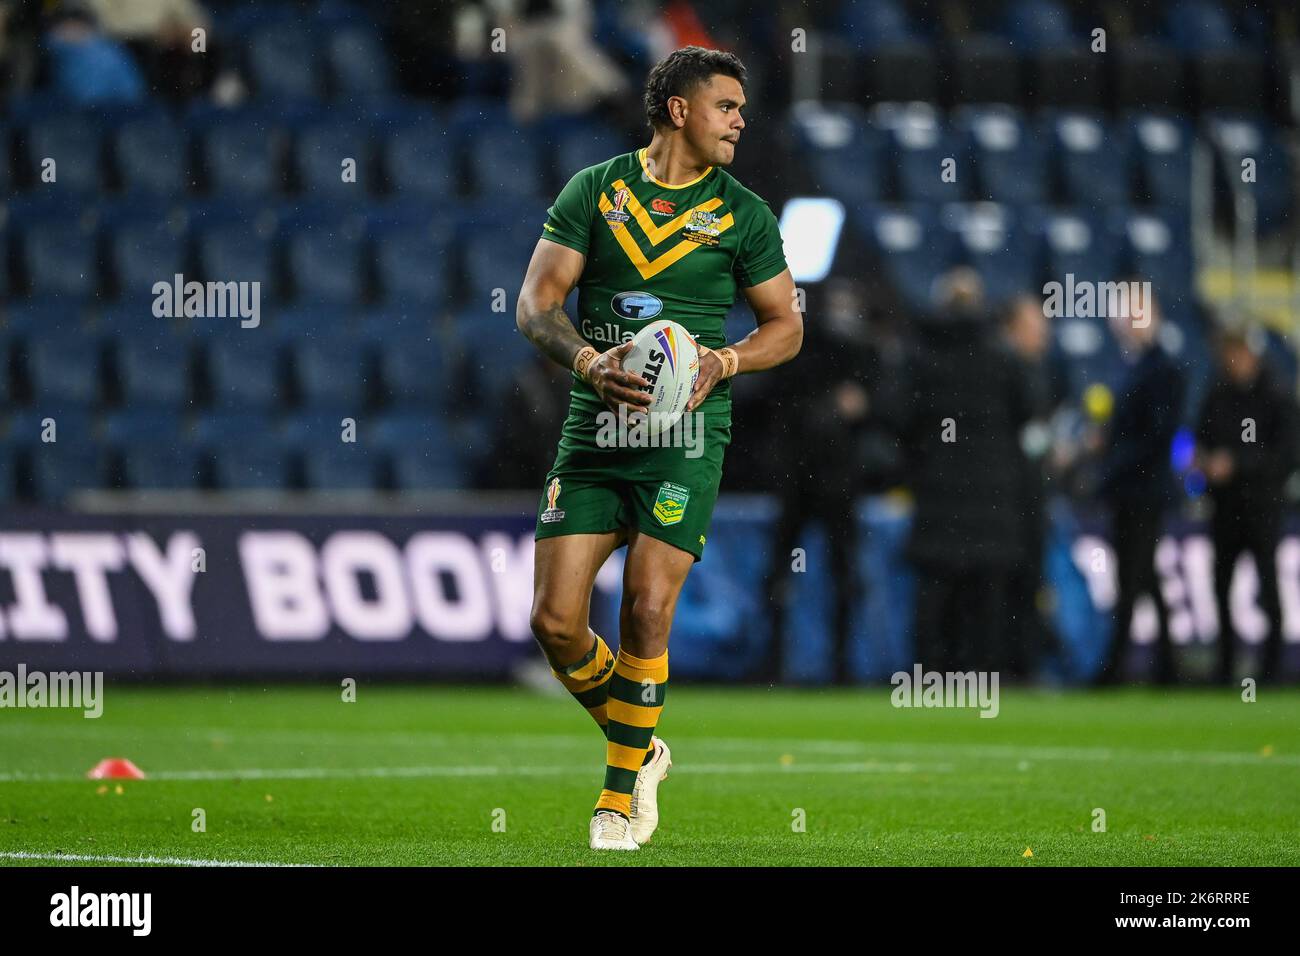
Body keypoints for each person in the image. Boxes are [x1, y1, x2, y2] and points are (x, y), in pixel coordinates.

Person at [515, 46, 802, 850]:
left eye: (743, 108)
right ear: (679, 110)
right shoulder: (595, 190)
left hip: (686, 431)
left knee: (647, 604)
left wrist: (726, 360)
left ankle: (618, 798)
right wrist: (586, 359)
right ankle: (644, 740)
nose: (742, 120)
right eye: (727, 106)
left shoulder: (744, 213)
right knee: (555, 622)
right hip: (596, 424)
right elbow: (535, 305)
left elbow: (788, 325)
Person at [902, 268, 1033, 674]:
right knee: (986, 595)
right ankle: (982, 675)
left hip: (937, 495)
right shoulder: (1003, 359)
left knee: (936, 591)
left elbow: (899, 419)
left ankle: (930, 673)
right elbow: (1027, 414)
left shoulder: (921, 357)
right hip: (991, 499)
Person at [1196, 324, 1298, 684]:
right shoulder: (1218, 394)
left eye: (1238, 352)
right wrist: (1202, 461)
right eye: (1229, 353)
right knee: (1220, 586)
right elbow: (1200, 437)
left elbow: (1286, 455)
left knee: (1268, 586)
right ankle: (1224, 669)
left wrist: (1238, 464)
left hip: (1262, 507)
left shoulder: (1277, 395)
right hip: (1225, 509)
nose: (1233, 360)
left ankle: (1271, 670)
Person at [1094, 286, 1184, 685]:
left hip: (1142, 490)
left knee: (1133, 578)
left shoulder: (1161, 369)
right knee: (1142, 575)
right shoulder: (1134, 366)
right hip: (1131, 489)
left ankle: (1116, 667)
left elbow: (1155, 437)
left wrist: (1111, 465)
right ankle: (1166, 666)